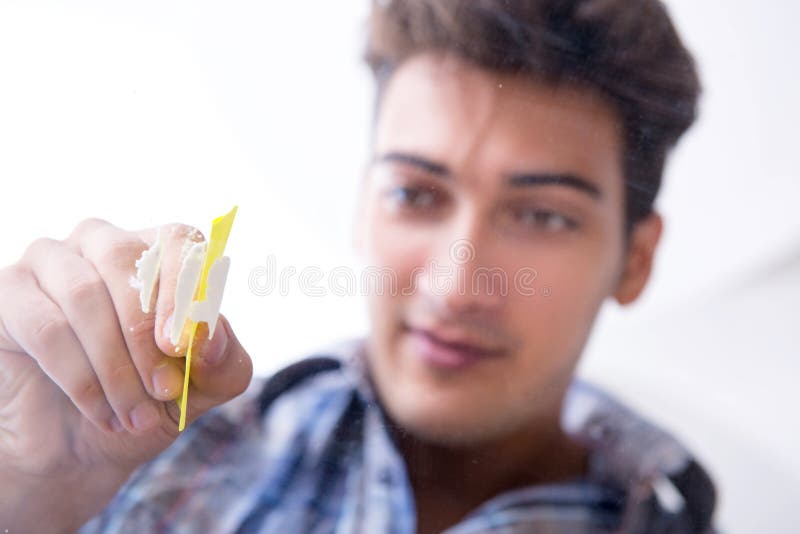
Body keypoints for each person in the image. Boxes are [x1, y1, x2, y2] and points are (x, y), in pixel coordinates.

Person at [0, 0, 717, 532]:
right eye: (414, 194)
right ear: (361, 206)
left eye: (543, 216)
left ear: (635, 260)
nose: (453, 287)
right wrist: (34, 497)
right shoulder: (151, 461)